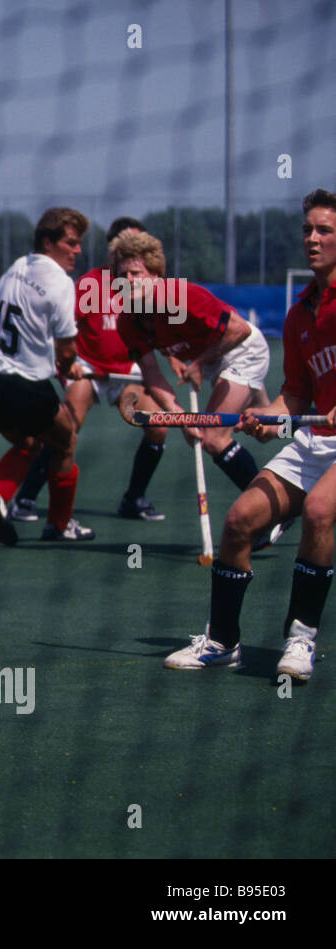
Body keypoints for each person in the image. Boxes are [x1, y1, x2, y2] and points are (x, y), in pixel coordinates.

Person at [165, 189, 336, 681]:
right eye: (307, 230)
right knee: (241, 520)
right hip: (317, 442)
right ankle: (222, 641)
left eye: (324, 230)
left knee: (319, 511)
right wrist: (269, 417)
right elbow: (296, 394)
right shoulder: (300, 314)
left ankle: (300, 639)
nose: (312, 238)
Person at [9, 217, 171, 524]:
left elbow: (158, 331)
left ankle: (134, 498)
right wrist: (67, 365)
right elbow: (62, 328)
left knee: (157, 427)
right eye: (129, 246)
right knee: (66, 430)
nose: (135, 253)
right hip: (90, 370)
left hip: (126, 374)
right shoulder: (90, 284)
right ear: (113, 249)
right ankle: (25, 498)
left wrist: (175, 360)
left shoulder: (145, 285)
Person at [110, 232, 271, 496]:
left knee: (213, 439)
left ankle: (267, 507)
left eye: (136, 273)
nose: (128, 280)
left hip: (242, 350)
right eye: (122, 275)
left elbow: (239, 329)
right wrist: (181, 418)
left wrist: (198, 363)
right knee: (267, 430)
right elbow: (152, 374)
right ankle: (307, 422)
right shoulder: (128, 322)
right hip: (212, 362)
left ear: (155, 275)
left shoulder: (180, 296)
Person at [0, 207, 93, 545]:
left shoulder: (15, 267)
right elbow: (66, 350)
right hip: (26, 388)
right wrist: (68, 367)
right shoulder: (61, 283)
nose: (77, 251)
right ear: (47, 241)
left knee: (31, 444)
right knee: (66, 440)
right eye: (70, 243)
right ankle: (59, 525)